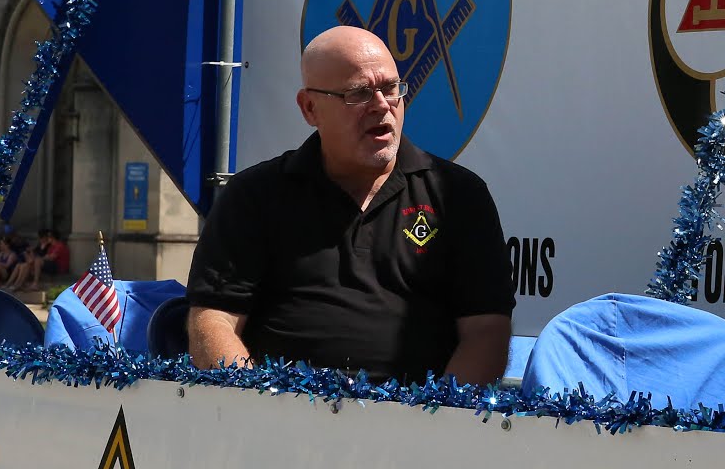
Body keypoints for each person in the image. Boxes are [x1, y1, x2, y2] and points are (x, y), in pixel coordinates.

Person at [186, 25, 513, 381]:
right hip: (282, 416)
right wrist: (257, 402)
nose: (382, 106)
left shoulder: (458, 196)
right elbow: (214, 320)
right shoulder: (255, 195)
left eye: (391, 88)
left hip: (418, 421)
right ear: (310, 108)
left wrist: (439, 421)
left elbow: (486, 331)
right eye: (359, 94)